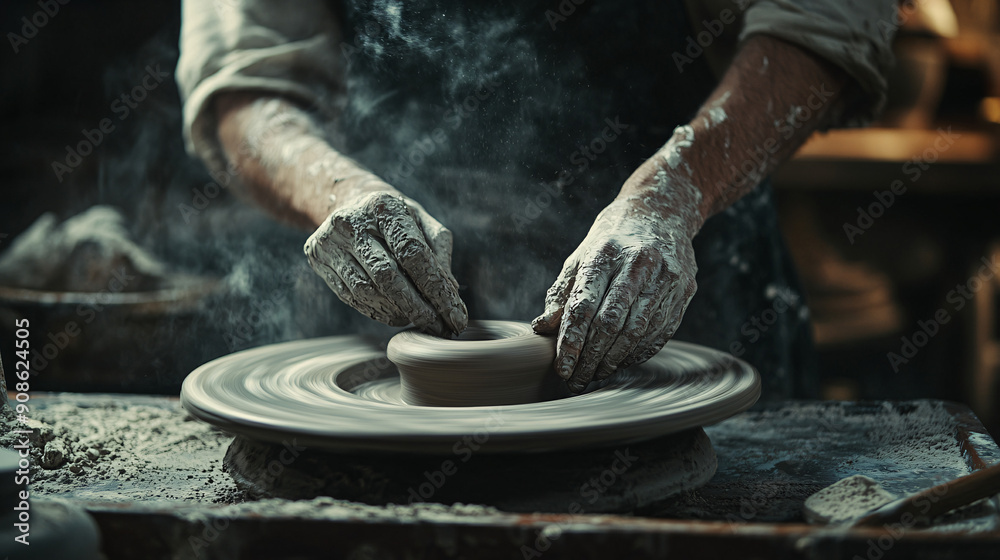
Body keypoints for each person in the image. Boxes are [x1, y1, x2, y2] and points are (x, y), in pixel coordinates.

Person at [177, 0, 900, 398]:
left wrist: (670, 194)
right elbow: (247, 85)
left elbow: (821, 23)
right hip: (385, 307)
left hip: (685, 282)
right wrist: (341, 193)